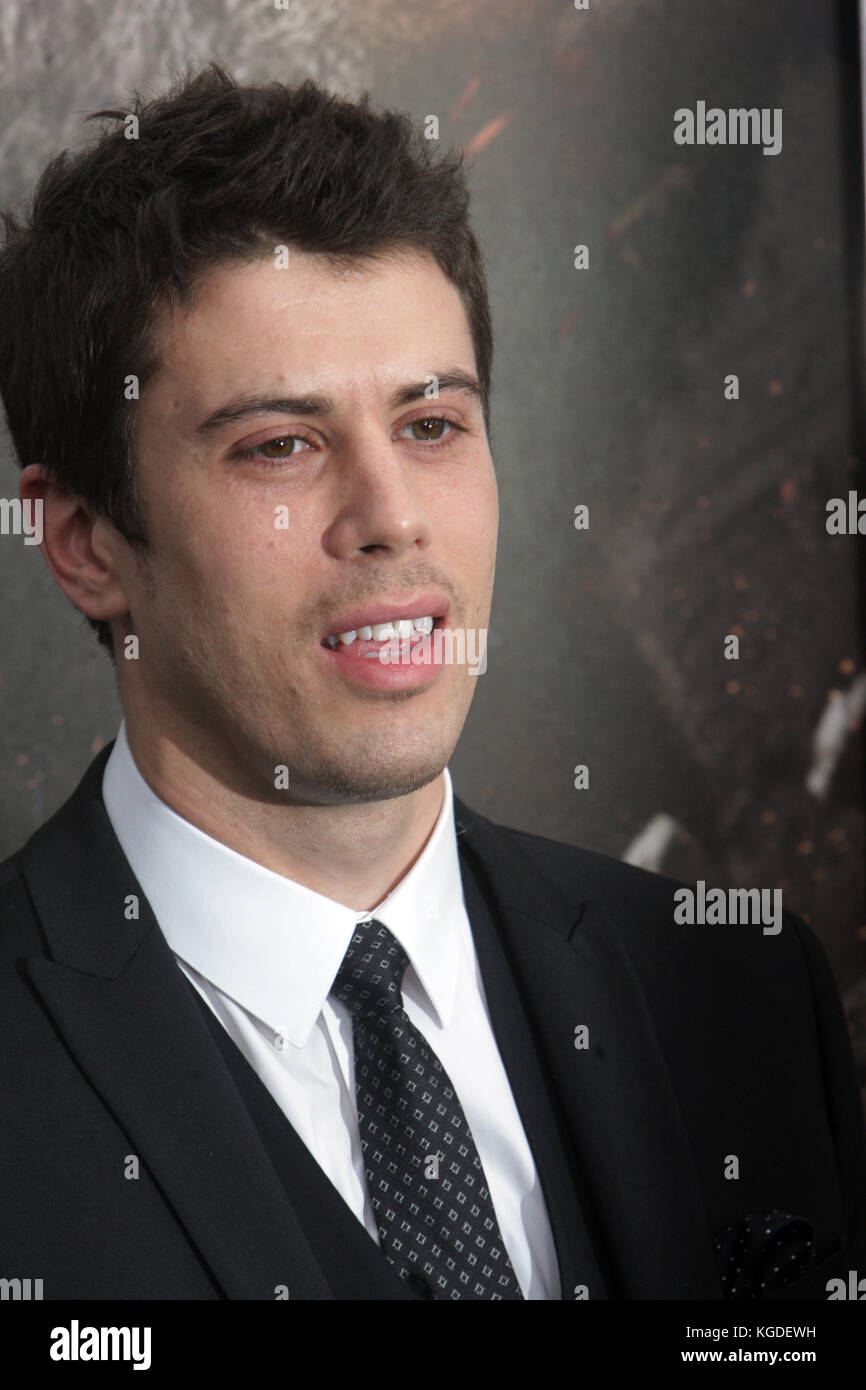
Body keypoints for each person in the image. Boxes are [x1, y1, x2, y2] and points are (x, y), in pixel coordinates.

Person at [0, 62, 863, 1302]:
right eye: (280, 445)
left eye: (431, 424)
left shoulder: (742, 998)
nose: (392, 518)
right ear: (85, 542)